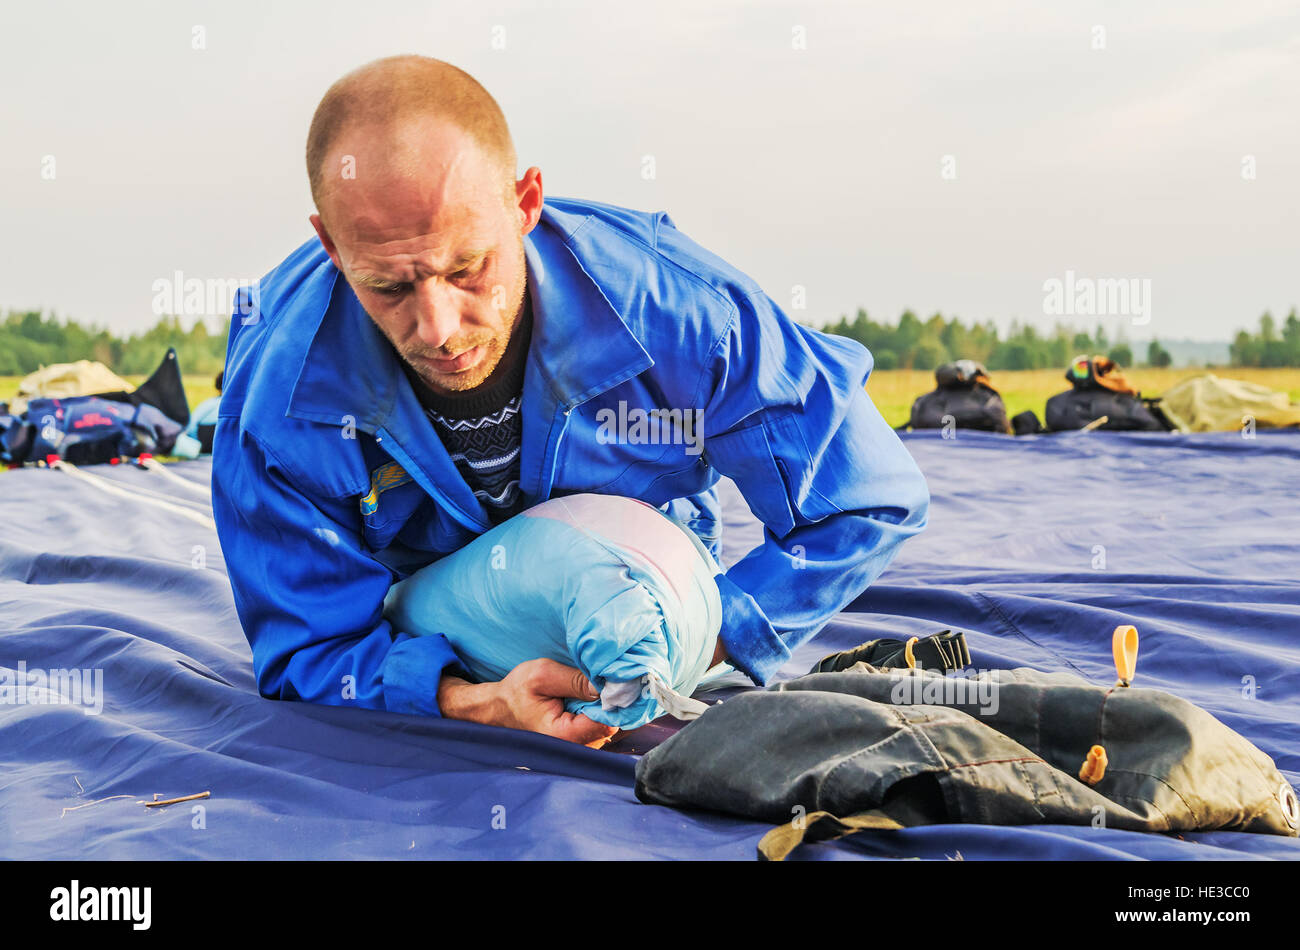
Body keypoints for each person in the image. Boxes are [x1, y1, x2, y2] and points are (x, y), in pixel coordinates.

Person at [211, 54, 929, 748]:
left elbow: (866, 497)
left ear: (525, 204)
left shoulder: (680, 314)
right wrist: (473, 703)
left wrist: (712, 637)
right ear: (332, 248)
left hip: (642, 585)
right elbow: (311, 651)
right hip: (431, 624)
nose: (438, 329)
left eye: (468, 269)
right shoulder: (279, 397)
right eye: (390, 286)